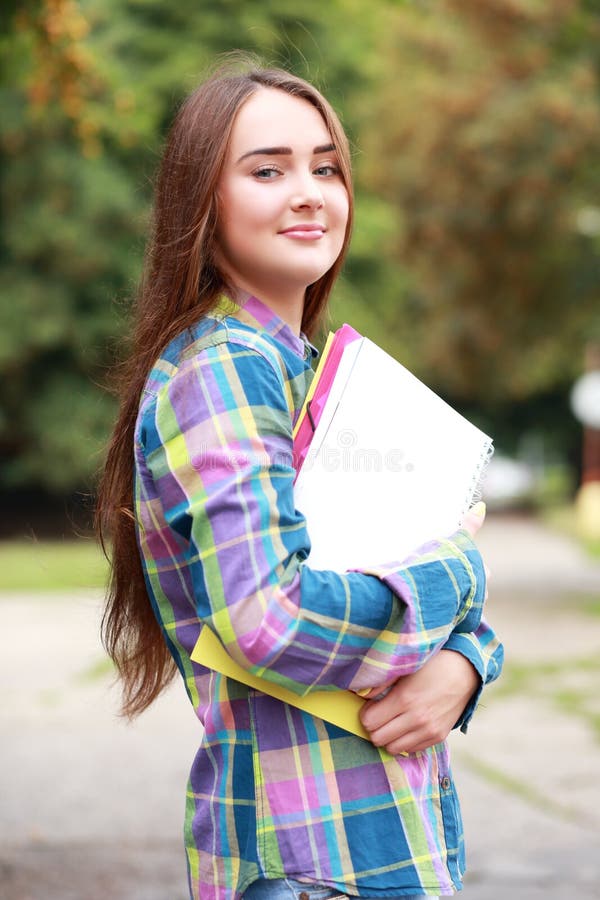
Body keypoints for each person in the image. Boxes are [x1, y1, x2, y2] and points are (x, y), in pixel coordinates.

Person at [97, 56, 503, 900]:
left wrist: (466, 660)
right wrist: (460, 568)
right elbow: (267, 616)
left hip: (373, 844)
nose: (310, 191)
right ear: (202, 206)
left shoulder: (315, 378)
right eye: (267, 170)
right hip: (311, 861)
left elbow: (401, 580)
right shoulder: (224, 371)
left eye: (326, 167)